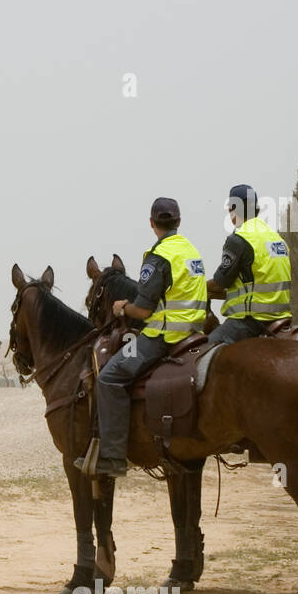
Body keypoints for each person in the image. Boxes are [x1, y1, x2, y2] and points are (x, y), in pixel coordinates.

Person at [79, 197, 207, 478]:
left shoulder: (157, 256)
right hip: (196, 334)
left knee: (109, 378)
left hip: (165, 336)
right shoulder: (191, 251)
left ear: (152, 224)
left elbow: (145, 308)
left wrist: (122, 306)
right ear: (179, 222)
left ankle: (113, 458)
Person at [206, 183, 291, 344]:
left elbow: (219, 283)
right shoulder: (276, 238)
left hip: (252, 321)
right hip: (282, 318)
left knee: (203, 356)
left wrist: (200, 288)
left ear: (233, 209)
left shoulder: (240, 239)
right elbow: (259, 286)